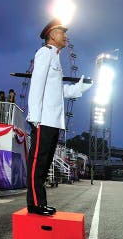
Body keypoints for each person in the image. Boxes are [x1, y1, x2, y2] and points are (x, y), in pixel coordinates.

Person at [26, 18, 92, 216]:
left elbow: (58, 91)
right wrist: (35, 117)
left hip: (53, 121)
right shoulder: (44, 54)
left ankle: (41, 202)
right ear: (52, 34)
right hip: (43, 120)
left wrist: (80, 88)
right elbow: (36, 86)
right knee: (38, 164)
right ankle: (35, 204)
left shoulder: (55, 58)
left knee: (44, 165)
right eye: (62, 32)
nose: (66, 36)